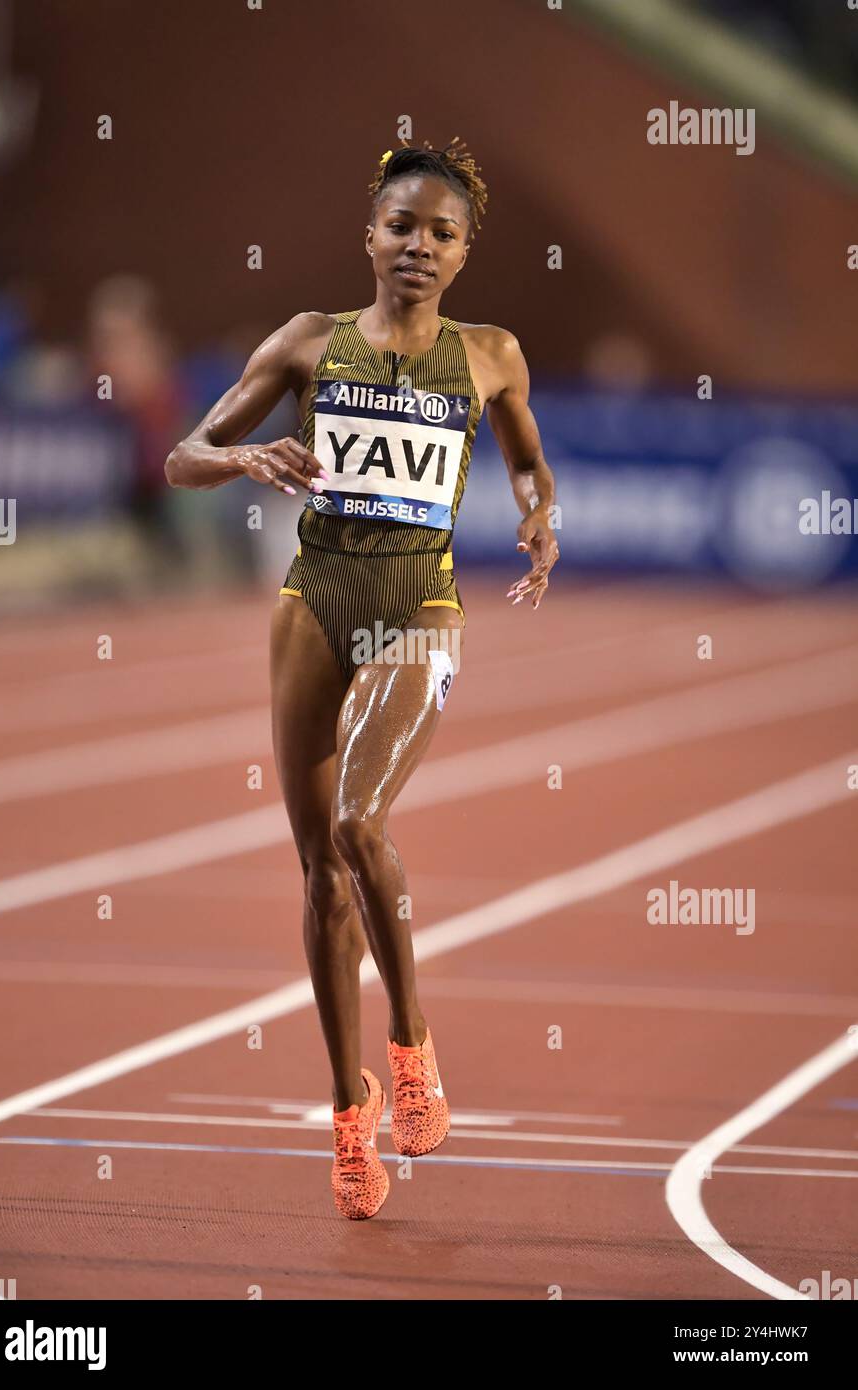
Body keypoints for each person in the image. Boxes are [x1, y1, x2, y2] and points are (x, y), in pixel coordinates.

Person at [166, 137, 559, 1220]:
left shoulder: (490, 355)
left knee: (355, 822)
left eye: (441, 233)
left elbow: (528, 459)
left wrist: (540, 515)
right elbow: (183, 455)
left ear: (464, 253)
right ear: (370, 237)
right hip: (316, 603)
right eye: (401, 226)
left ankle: (413, 1046)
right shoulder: (308, 342)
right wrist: (244, 457)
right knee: (318, 876)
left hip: (420, 607)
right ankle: (350, 1118)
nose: (419, 246)